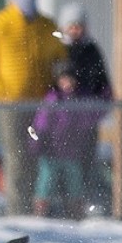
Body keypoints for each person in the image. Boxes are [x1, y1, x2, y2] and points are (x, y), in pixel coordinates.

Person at [0, 0, 66, 216]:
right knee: (16, 159)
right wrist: (0, 88)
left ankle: (39, 210)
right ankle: (17, 212)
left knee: (41, 158)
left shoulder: (48, 26)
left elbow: (62, 58)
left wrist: (59, 84)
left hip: (43, 107)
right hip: (11, 106)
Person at [30, 59, 107, 220]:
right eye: (63, 79)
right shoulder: (53, 99)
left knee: (75, 185)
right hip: (51, 151)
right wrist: (38, 141)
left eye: (70, 79)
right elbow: (41, 123)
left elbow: (92, 116)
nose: (67, 83)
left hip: (72, 152)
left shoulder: (80, 100)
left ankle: (76, 214)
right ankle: (39, 214)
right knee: (45, 183)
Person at [57, 3, 114, 211]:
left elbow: (104, 87)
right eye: (71, 26)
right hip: (61, 124)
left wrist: (94, 113)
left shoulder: (92, 51)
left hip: (86, 122)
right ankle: (63, 206)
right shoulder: (59, 50)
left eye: (79, 25)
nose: (75, 30)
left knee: (87, 164)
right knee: (61, 166)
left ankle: (85, 204)